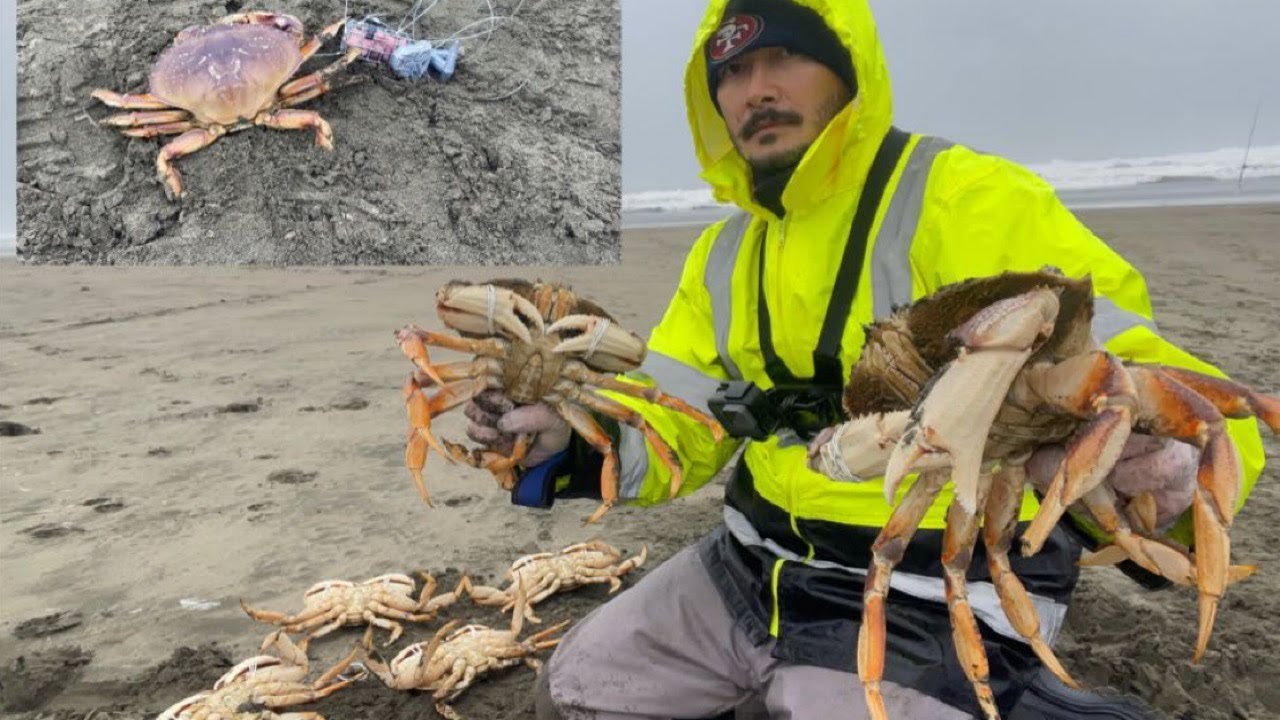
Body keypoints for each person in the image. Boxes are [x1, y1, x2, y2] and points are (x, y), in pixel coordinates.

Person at [465, 1, 1268, 718]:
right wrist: (573, 442)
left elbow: (1147, 373)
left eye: (784, 57)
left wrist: (1163, 469)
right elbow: (679, 416)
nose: (756, 89)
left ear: (849, 70)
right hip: (753, 560)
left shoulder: (969, 198)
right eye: (732, 72)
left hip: (938, 577)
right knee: (575, 691)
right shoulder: (722, 254)